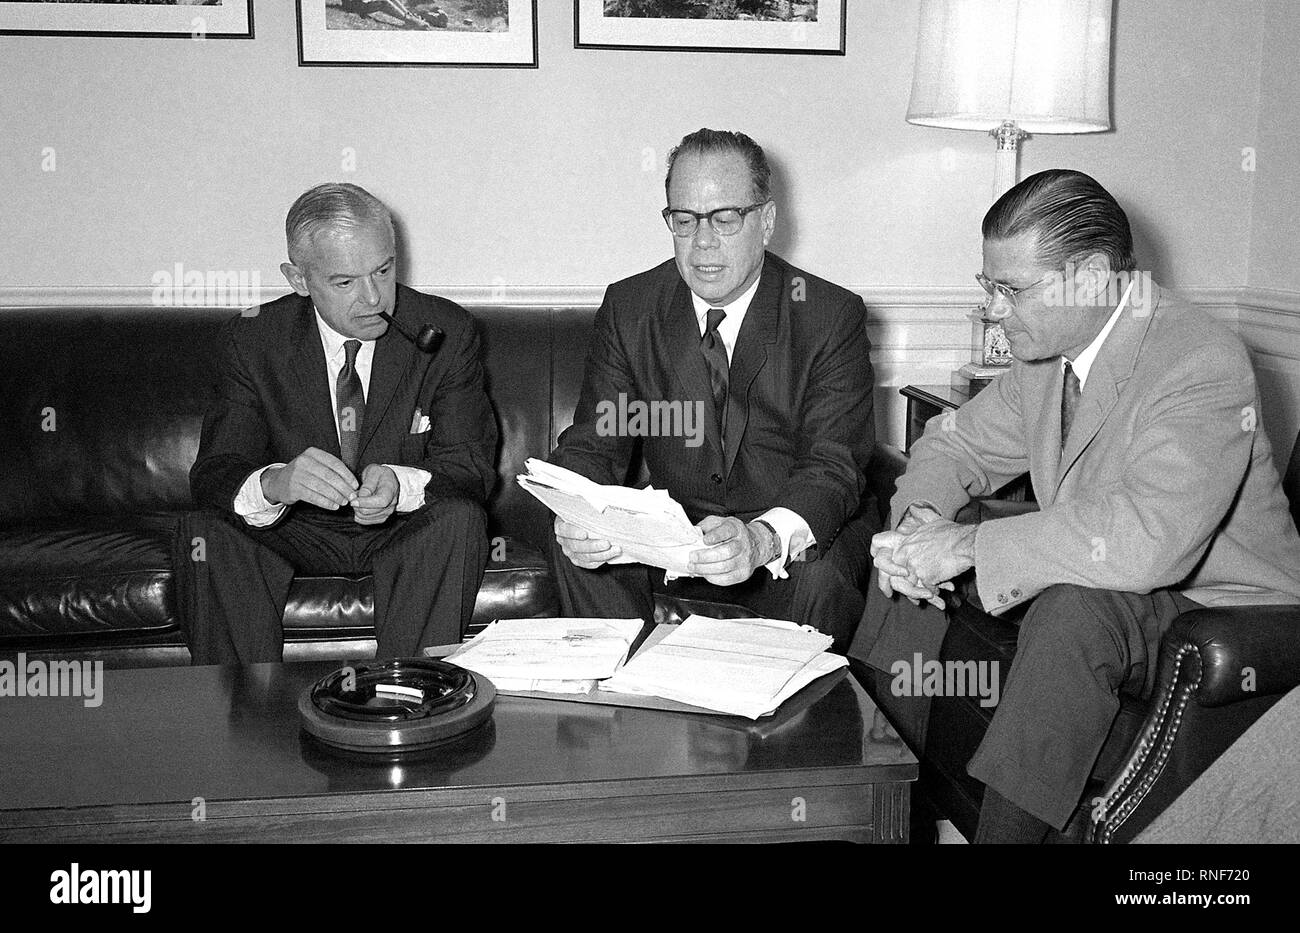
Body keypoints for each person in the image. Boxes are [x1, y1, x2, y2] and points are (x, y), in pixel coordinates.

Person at [850, 168, 1300, 842]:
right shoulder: (1048, 356)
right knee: (908, 554)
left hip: (1225, 611)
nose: (996, 311)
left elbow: (1145, 539)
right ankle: (880, 806)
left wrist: (965, 546)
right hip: (1131, 589)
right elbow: (955, 444)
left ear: (1090, 276)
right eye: (989, 286)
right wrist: (918, 530)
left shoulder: (1199, 359)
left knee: (1071, 611)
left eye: (1012, 290)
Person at [547, 128, 878, 651]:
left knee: (820, 574)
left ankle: (798, 727)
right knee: (576, 552)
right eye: (683, 221)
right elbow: (595, 441)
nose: (702, 243)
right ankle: (626, 707)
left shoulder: (827, 316)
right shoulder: (631, 307)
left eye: (724, 219)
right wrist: (577, 513)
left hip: (786, 533)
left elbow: (833, 466)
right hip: (680, 536)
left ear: (765, 222)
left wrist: (762, 540)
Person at [177, 183, 496, 664]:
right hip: (292, 528)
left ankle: (408, 698)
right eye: (345, 282)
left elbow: (471, 467)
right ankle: (248, 716)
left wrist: (399, 484)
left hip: (401, 528)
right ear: (299, 279)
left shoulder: (446, 331)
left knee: (459, 519)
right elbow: (215, 470)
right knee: (205, 529)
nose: (373, 298)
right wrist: (276, 482)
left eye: (384, 271)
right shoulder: (253, 340)